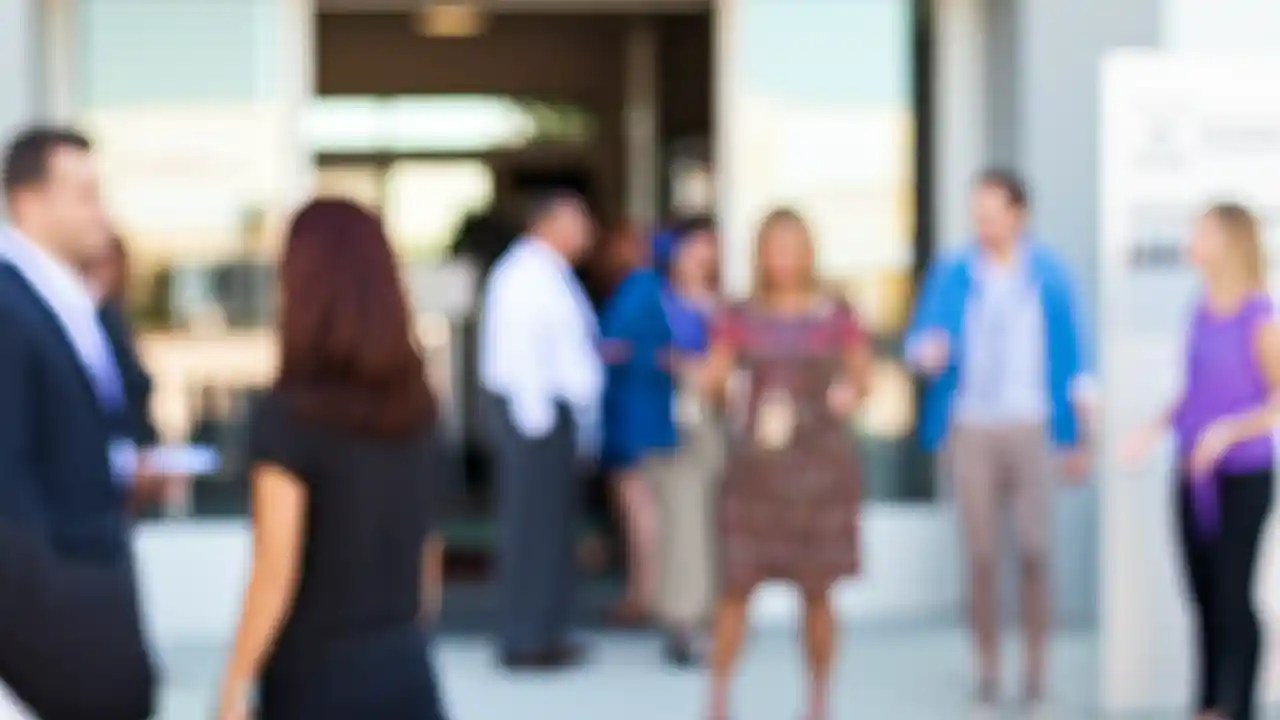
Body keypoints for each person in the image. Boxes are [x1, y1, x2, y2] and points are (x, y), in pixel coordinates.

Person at [215, 200, 448, 720]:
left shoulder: (288, 417)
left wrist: (233, 686)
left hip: (315, 679)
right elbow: (428, 553)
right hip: (406, 670)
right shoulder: (419, 409)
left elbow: (275, 569)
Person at [905, 169, 1093, 710]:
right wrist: (928, 355)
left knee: (1035, 549)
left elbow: (1075, 359)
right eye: (977, 212)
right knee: (982, 553)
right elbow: (921, 342)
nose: (982, 223)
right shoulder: (954, 274)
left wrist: (1082, 438)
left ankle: (1035, 669)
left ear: (1019, 214)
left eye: (992, 212)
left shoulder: (1049, 275)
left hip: (1032, 424)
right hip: (972, 426)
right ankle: (988, 668)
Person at [0, 127, 155, 719]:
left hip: (89, 595)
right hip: (61, 618)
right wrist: (57, 614)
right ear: (29, 201)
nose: (100, 212)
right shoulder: (12, 307)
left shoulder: (69, 301)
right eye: (83, 194)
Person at [702, 209, 870, 720]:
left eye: (792, 247)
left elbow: (863, 376)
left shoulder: (835, 313)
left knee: (817, 592)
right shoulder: (740, 314)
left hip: (820, 470)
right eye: (774, 248)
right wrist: (725, 389)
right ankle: (718, 702)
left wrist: (848, 392)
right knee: (735, 588)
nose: (783, 258)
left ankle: (818, 704)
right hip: (757, 472)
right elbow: (713, 376)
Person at [1123, 204, 1280, 720]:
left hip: (1244, 474)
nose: (1191, 239)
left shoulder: (1260, 315)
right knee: (1203, 595)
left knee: (1234, 594)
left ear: (1229, 242)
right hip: (1192, 472)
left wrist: (1227, 433)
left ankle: (1236, 706)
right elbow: (1195, 393)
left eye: (1202, 232)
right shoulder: (1199, 308)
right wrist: (1153, 428)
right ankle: (1207, 704)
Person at [479, 190, 604, 669]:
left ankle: (548, 631)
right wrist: (537, 421)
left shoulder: (551, 273)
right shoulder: (522, 275)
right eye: (579, 222)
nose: (586, 233)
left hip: (554, 418)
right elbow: (520, 353)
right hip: (535, 417)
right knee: (530, 530)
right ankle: (524, 637)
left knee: (552, 531)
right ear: (550, 223)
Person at [649, 218, 723, 666]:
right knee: (682, 523)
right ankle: (682, 620)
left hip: (714, 422)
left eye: (709, 247)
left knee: (712, 521)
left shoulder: (722, 306)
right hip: (670, 424)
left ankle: (713, 616)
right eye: (695, 247)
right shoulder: (654, 301)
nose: (703, 256)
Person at [599, 224, 672, 628]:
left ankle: (645, 593)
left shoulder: (639, 289)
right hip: (638, 409)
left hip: (634, 412)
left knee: (639, 507)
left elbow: (617, 346)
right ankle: (646, 590)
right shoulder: (653, 289)